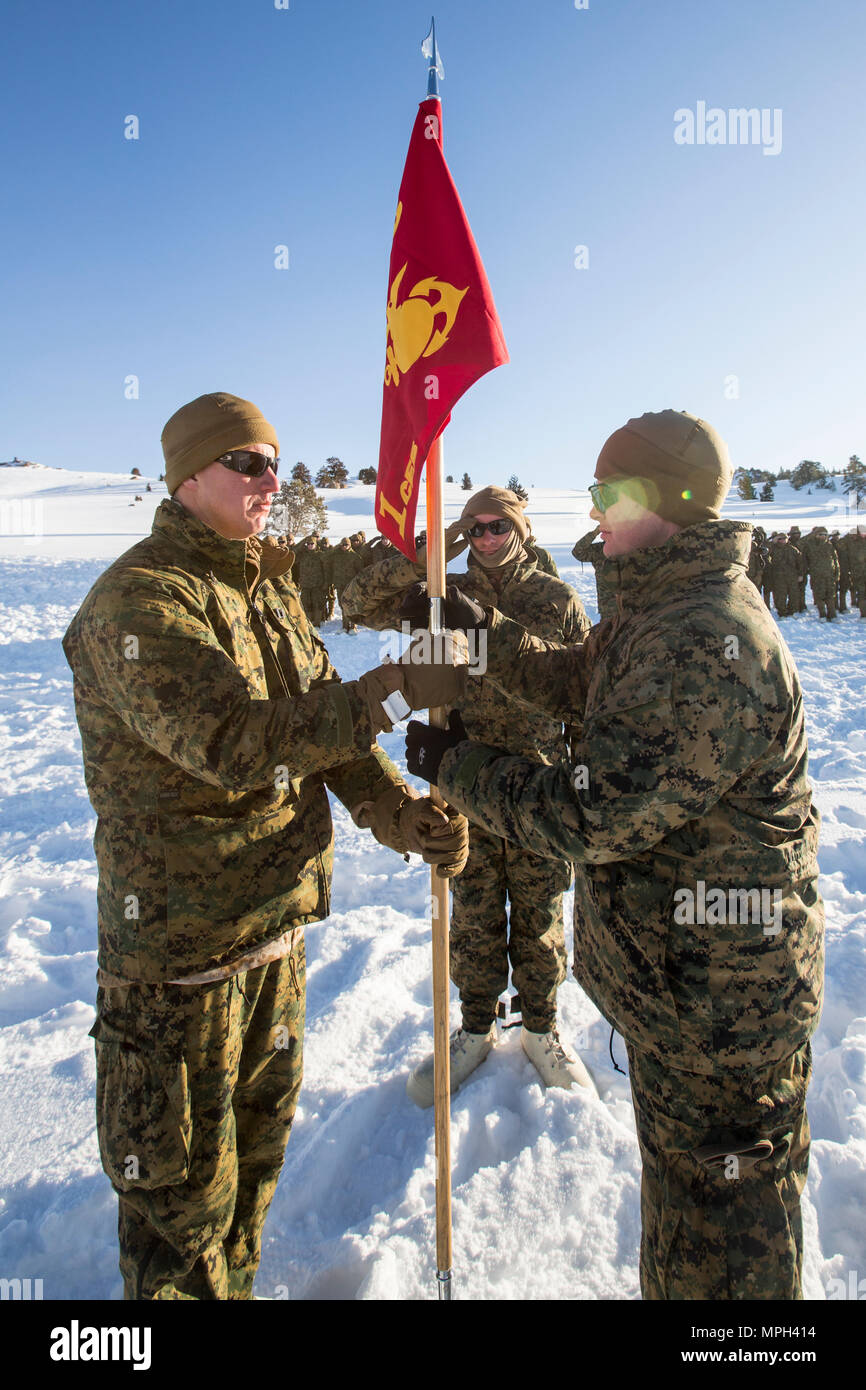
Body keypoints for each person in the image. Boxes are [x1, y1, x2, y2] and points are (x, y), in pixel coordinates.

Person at [370, 409, 824, 1299]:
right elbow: (572, 678)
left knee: (727, 1270)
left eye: (611, 492)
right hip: (685, 998)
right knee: (687, 1236)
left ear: (668, 499)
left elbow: (592, 817)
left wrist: (457, 766)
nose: (597, 511)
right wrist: (477, 630)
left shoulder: (701, 636)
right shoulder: (656, 609)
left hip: (725, 1016)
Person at [63, 390, 469, 1300]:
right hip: (179, 969)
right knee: (181, 1220)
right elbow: (232, 744)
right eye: (246, 462)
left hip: (271, 943)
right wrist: (395, 687)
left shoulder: (264, 586)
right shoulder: (140, 599)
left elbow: (322, 723)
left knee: (250, 1183)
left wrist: (398, 812)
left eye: (274, 461)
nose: (269, 480)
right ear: (188, 476)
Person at [343, 487, 593, 1103]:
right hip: (460, 779)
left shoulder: (555, 600)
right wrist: (425, 556)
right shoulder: (441, 595)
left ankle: (541, 1027)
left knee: (538, 917)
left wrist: (583, 783)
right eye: (473, 529)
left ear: (521, 531)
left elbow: (586, 693)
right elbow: (354, 604)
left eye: (496, 528)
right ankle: (476, 1026)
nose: (484, 540)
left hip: (537, 786)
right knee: (474, 913)